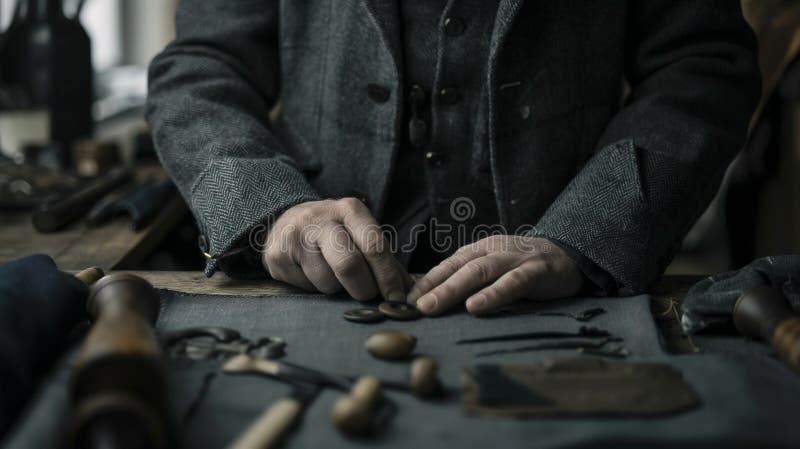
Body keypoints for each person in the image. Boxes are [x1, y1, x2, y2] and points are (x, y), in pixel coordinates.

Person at [146, 1, 760, 316]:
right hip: (311, 291)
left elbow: (700, 65)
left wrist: (586, 235)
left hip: (563, 295)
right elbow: (202, 66)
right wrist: (271, 208)